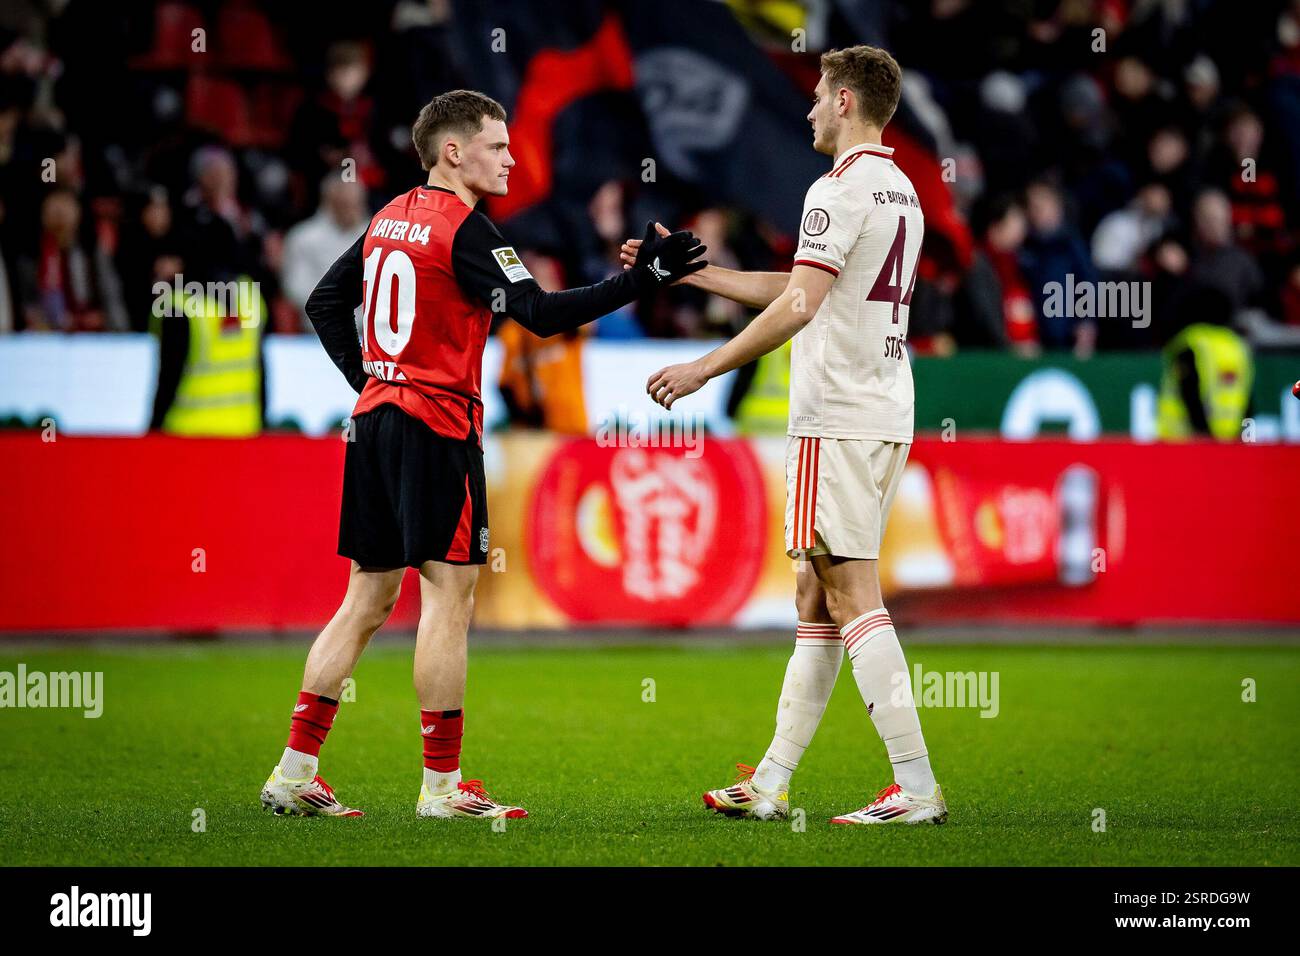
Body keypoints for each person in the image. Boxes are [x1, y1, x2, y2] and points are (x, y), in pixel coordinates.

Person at [259, 89, 705, 819]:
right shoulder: (468, 232)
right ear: (453, 152)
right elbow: (540, 315)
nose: (510, 158)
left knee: (365, 601)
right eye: (497, 146)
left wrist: (374, 379)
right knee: (449, 600)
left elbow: (322, 302)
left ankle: (294, 769)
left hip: (373, 425)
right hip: (437, 429)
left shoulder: (388, 218)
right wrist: (641, 280)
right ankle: (441, 788)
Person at [622, 45, 945, 826]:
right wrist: (699, 278)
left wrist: (706, 366)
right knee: (816, 591)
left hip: (836, 414)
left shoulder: (834, 188)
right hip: (883, 409)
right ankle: (770, 782)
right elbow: (807, 288)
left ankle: (915, 785)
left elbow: (800, 308)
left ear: (844, 102)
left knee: (847, 590)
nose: (806, 110)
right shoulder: (901, 189)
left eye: (816, 96)